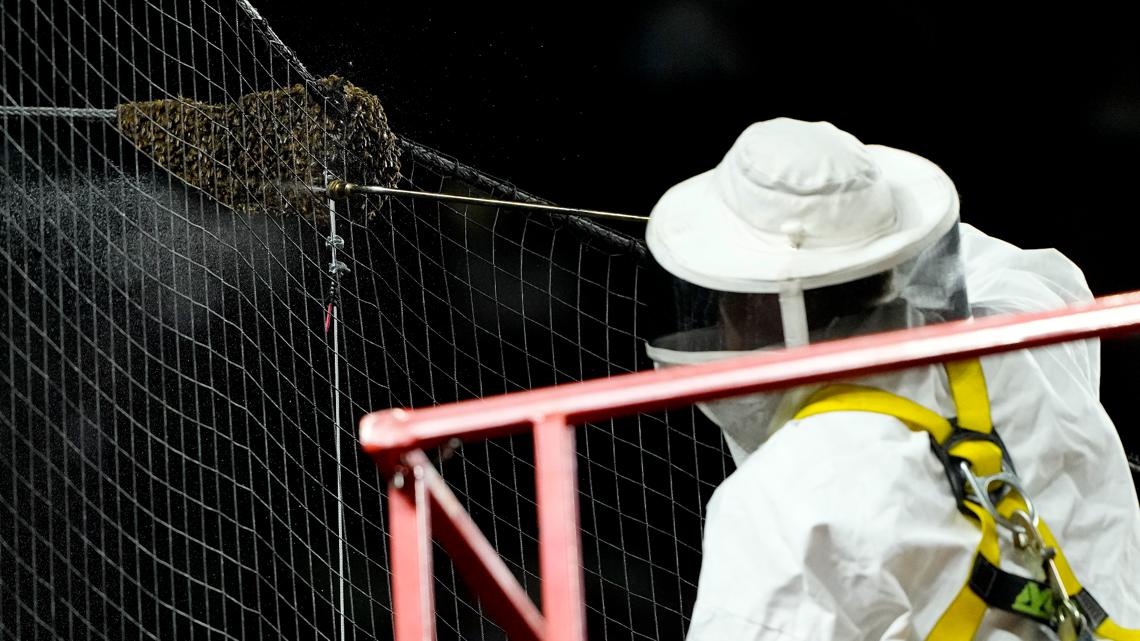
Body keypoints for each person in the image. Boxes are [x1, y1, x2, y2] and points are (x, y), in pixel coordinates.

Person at [645, 118, 1140, 640]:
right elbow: (1015, 268)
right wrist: (854, 225)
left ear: (749, 310)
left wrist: (817, 238)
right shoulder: (1030, 338)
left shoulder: (783, 501)